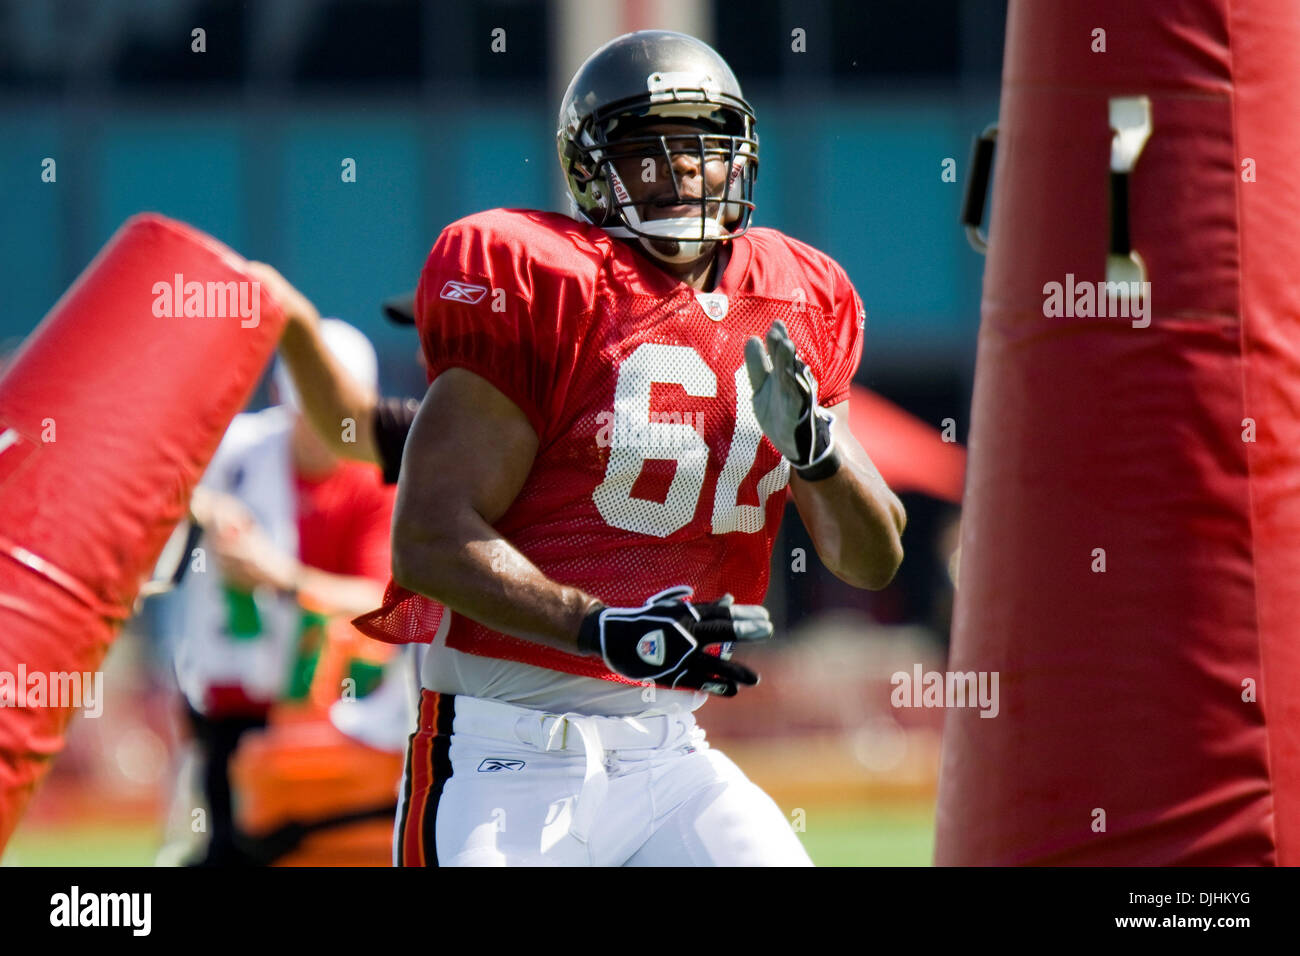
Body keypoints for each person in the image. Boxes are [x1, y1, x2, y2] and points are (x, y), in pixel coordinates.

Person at [356, 29, 905, 867]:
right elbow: (430, 537)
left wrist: (816, 447)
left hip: (671, 755)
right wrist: (598, 627)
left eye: (702, 150)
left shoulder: (797, 296)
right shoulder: (543, 281)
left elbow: (874, 560)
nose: (682, 172)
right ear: (592, 172)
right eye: (648, 153)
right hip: (505, 761)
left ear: (741, 160)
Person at [168, 319, 397, 865]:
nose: (323, 427)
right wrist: (204, 509)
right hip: (228, 699)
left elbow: (383, 603)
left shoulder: (374, 483)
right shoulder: (237, 455)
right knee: (227, 844)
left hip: (327, 709)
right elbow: (148, 480)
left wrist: (280, 576)